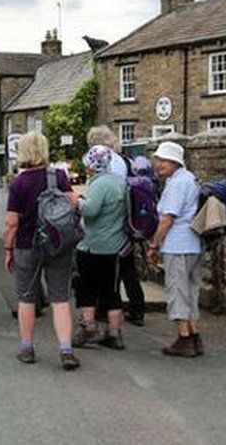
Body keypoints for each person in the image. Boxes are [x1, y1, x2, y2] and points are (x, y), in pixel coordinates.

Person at [4, 131, 81, 370]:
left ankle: (27, 348)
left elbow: (11, 222)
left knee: (26, 298)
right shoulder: (57, 175)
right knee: (60, 298)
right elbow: (73, 202)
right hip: (57, 245)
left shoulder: (19, 183)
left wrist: (8, 249)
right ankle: (66, 350)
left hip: (27, 245)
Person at [147, 141, 204, 358]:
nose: (158, 164)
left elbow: (167, 219)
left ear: (175, 162)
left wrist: (154, 244)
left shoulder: (178, 183)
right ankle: (194, 336)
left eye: (163, 160)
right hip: (194, 245)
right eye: (158, 160)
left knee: (178, 291)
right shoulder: (190, 180)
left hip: (178, 245)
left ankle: (184, 339)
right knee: (190, 291)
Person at [86, 125, 146, 326]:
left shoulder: (108, 162)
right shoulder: (122, 159)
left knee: (113, 270)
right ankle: (136, 308)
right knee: (126, 268)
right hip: (125, 219)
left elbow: (106, 196)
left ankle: (108, 310)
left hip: (113, 222)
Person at [73, 145, 130, 350]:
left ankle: (88, 328)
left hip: (92, 246)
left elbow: (90, 211)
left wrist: (77, 201)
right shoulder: (119, 182)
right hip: (115, 246)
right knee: (111, 291)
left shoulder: (99, 184)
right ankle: (114, 334)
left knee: (86, 288)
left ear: (92, 164)